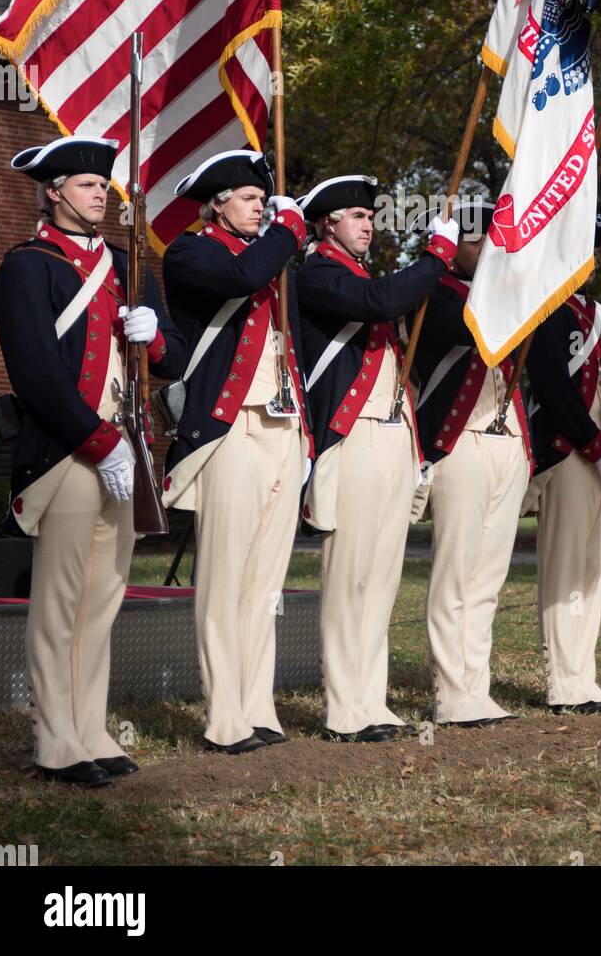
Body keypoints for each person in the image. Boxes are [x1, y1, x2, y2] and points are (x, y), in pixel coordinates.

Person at [0, 136, 185, 787]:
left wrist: (152, 335)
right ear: (53, 192)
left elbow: (174, 361)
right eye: (84, 185)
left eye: (103, 186)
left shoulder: (131, 265)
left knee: (103, 599)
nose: (99, 194)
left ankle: (90, 728)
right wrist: (101, 444)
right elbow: (36, 376)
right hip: (70, 453)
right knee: (61, 601)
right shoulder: (28, 267)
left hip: (128, 449)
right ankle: (55, 741)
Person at [296, 175, 458, 742]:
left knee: (383, 577)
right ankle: (344, 707)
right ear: (326, 225)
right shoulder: (318, 271)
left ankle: (372, 700)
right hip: (354, 437)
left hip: (391, 436)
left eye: (370, 215)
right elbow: (380, 302)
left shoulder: (359, 271)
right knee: (351, 577)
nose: (368, 224)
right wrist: (436, 255)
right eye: (356, 216)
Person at [162, 150, 310, 755]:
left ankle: (257, 706)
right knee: (224, 579)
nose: (261, 207)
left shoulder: (273, 258)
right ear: (217, 203)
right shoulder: (191, 251)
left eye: (263, 198)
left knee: (265, 583)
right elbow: (239, 281)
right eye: (249, 198)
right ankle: (225, 717)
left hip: (283, 426)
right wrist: (287, 232)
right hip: (229, 429)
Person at [412, 199, 532, 728]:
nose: (487, 250)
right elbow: (465, 333)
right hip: (459, 443)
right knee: (456, 574)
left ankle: (475, 687)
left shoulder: (499, 296)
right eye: (477, 240)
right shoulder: (434, 294)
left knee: (488, 577)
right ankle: (450, 691)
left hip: (507, 440)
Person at [526, 274, 601, 715]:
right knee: (566, 567)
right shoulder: (546, 306)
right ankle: (565, 684)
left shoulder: (597, 313)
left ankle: (583, 676)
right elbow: (552, 387)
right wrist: (595, 446)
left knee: (593, 567)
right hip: (571, 447)